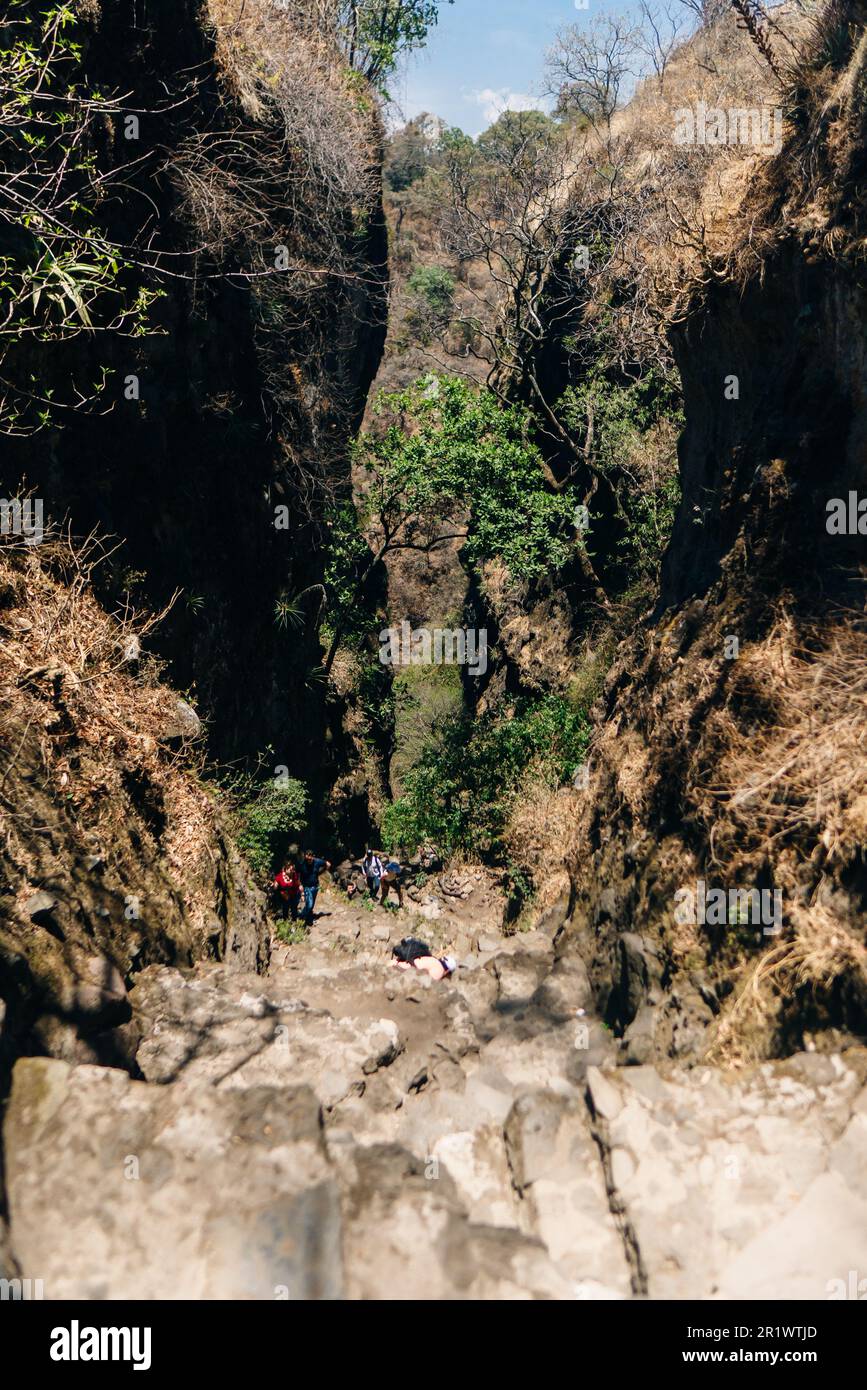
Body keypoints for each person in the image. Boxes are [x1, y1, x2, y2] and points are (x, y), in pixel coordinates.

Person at [391, 937, 456, 982]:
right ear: (447, 971)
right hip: (402, 970)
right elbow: (429, 984)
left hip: (394, 964)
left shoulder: (431, 958)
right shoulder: (439, 969)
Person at [298, 849, 331, 924]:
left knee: (311, 904)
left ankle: (308, 919)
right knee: (309, 904)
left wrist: (321, 872)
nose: (309, 860)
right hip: (306, 887)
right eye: (307, 859)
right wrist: (300, 886)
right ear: (305, 858)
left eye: (310, 858)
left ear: (313, 857)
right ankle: (301, 917)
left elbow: (328, 864)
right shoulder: (302, 864)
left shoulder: (317, 861)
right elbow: (297, 875)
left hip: (315, 886)